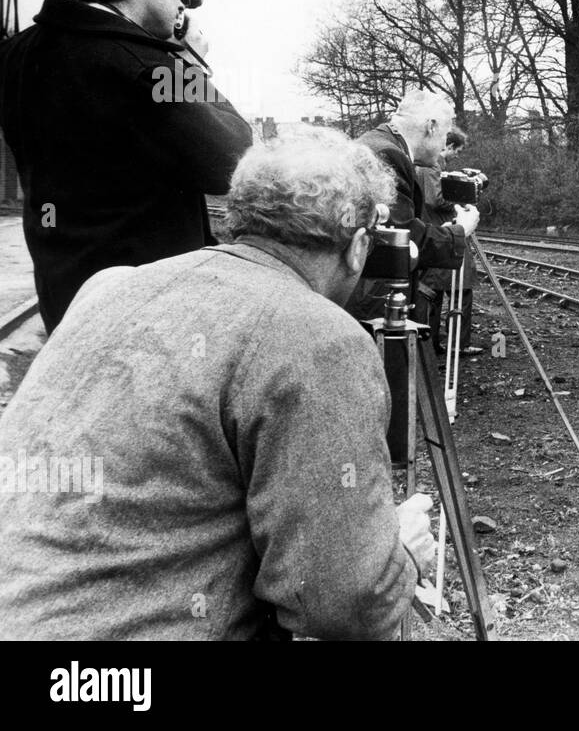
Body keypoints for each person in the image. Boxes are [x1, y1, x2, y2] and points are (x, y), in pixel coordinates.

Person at [0, 130, 440, 640]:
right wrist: (400, 554)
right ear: (359, 246)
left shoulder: (108, 287)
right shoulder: (317, 335)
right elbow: (347, 607)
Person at [0, 0, 252, 332]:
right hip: (145, 313)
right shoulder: (146, 67)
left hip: (64, 300)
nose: (180, 0)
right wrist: (191, 63)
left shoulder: (16, 54)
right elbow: (236, 159)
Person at [349, 91, 479, 321]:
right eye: (445, 134)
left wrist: (442, 231)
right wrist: (459, 232)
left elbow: (390, 223)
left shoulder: (376, 142)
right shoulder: (389, 155)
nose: (444, 145)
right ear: (431, 126)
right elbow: (398, 239)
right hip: (375, 301)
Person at [416, 127, 482, 356]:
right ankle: (459, 344)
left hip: (431, 231)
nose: (457, 155)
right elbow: (434, 199)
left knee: (432, 292)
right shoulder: (432, 165)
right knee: (461, 290)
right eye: (458, 151)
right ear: (449, 146)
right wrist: (461, 200)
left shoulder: (423, 165)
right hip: (443, 231)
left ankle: (431, 344)